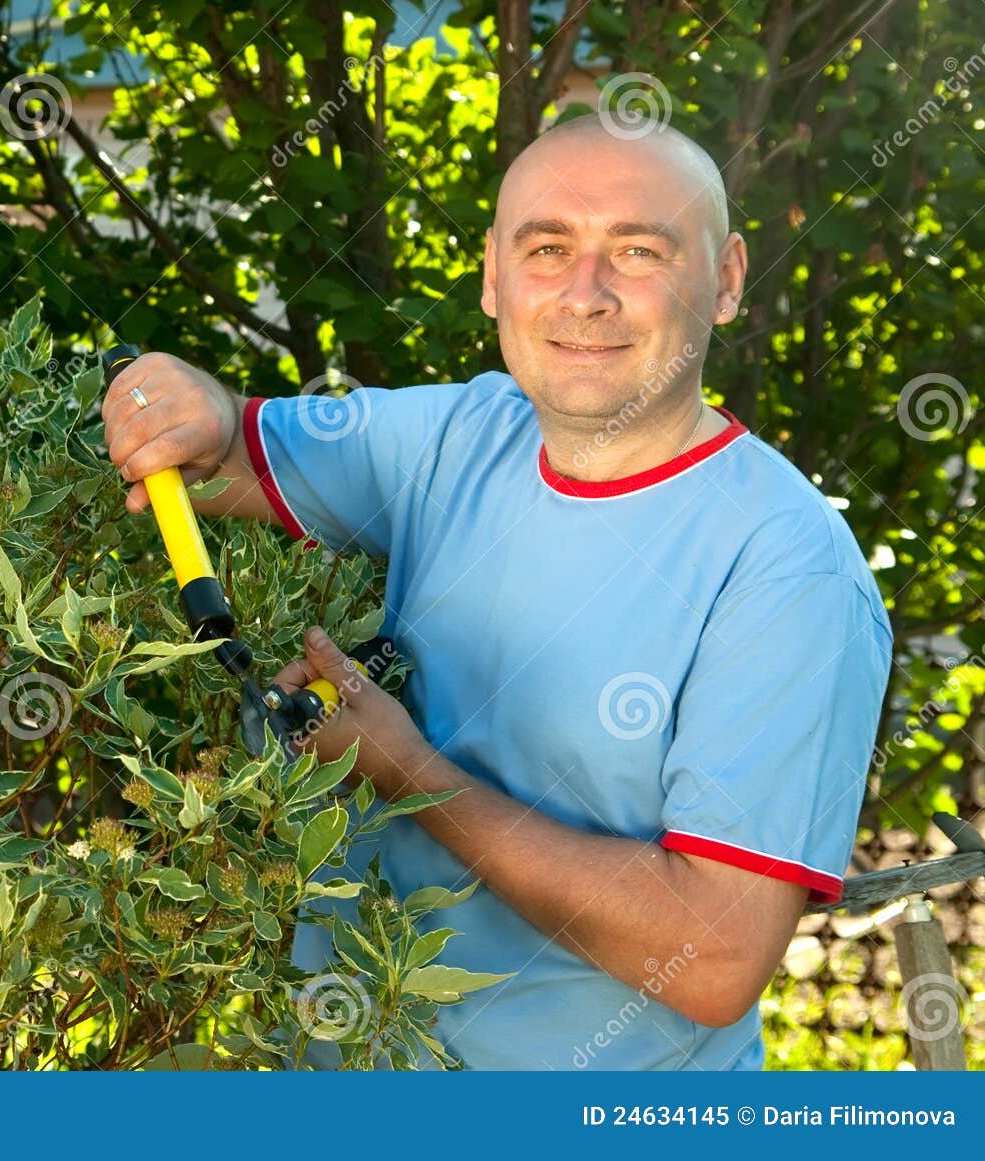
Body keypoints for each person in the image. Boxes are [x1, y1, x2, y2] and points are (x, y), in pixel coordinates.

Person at [99, 114, 892, 1069]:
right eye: (547, 247)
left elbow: (714, 959)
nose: (585, 293)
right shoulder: (466, 432)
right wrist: (180, 396)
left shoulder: (788, 567)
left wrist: (406, 770)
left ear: (725, 281)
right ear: (492, 276)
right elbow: (224, 452)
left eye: (638, 250)